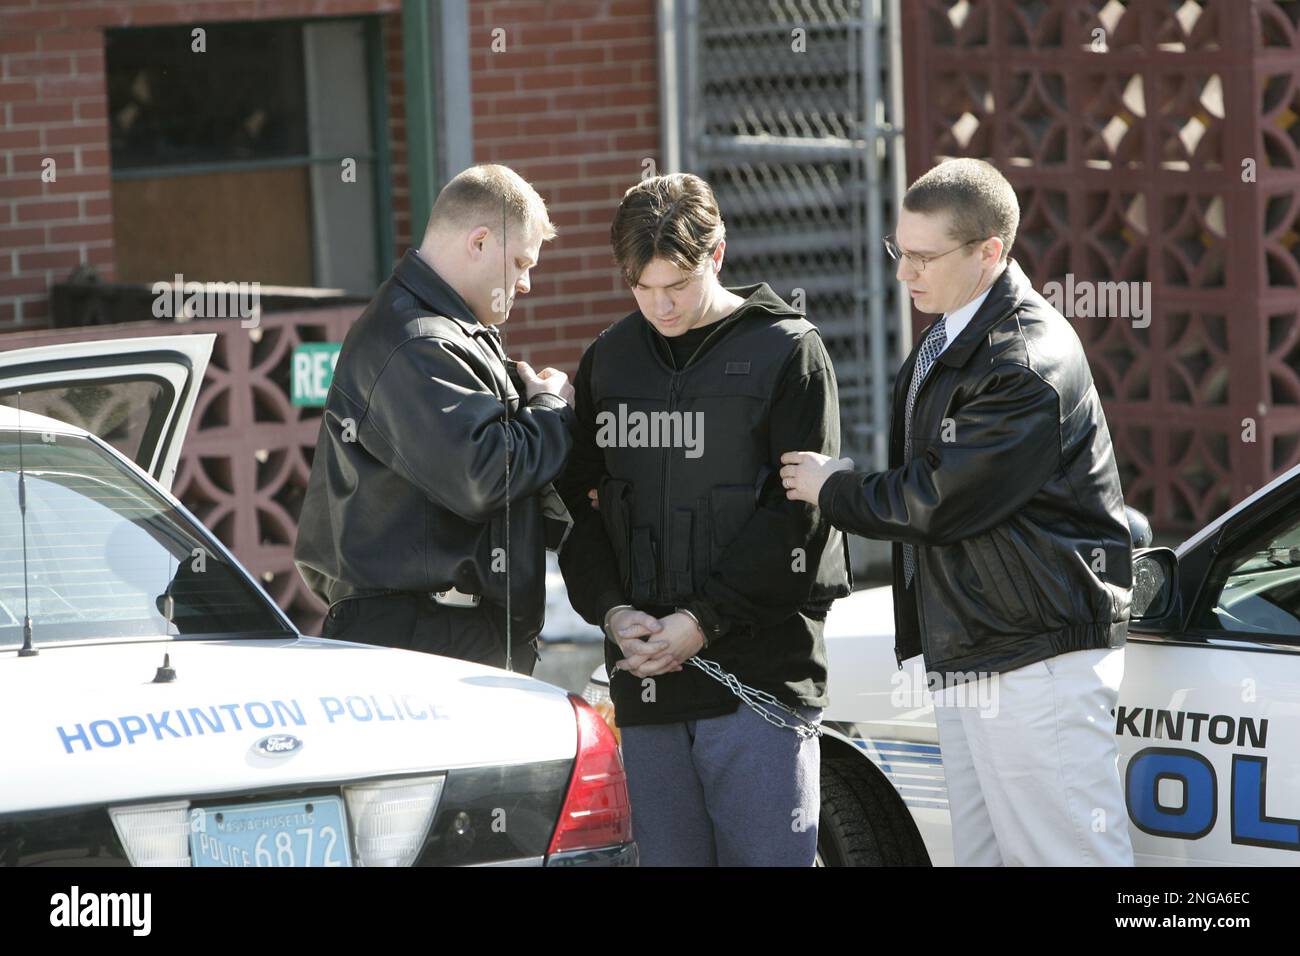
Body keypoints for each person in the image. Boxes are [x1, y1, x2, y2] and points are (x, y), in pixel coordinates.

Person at [781, 158, 1135, 866]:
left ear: (989, 252)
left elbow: (940, 499)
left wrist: (836, 489)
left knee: (1064, 857)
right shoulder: (957, 327)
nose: (905, 272)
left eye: (923, 256)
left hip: (1033, 659)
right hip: (980, 650)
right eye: (898, 251)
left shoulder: (1022, 357)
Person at [557, 173, 851, 866]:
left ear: (718, 254)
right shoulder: (609, 358)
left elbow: (799, 518)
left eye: (677, 285)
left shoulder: (789, 350)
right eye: (642, 287)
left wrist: (703, 622)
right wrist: (610, 609)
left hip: (759, 674)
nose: (660, 305)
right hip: (645, 674)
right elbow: (572, 500)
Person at [294, 164, 574, 676]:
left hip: (439, 633)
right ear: (480, 241)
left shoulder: (441, 326)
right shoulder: (417, 339)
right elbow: (485, 475)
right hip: (421, 643)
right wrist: (551, 409)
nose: (527, 283)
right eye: (519, 262)